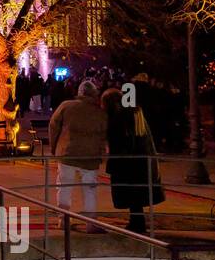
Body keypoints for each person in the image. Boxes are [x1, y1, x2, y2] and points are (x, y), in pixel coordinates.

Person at [48, 79, 108, 232]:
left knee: (64, 188)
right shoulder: (99, 112)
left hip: (67, 153)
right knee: (89, 190)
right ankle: (91, 223)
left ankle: (63, 220)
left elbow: (53, 126)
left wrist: (55, 148)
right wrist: (101, 153)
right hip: (90, 156)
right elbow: (103, 135)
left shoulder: (67, 106)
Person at [103, 88, 164, 234]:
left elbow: (120, 142)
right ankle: (137, 221)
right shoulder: (135, 113)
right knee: (136, 195)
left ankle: (137, 223)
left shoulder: (118, 118)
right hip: (141, 161)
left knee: (131, 193)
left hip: (127, 163)